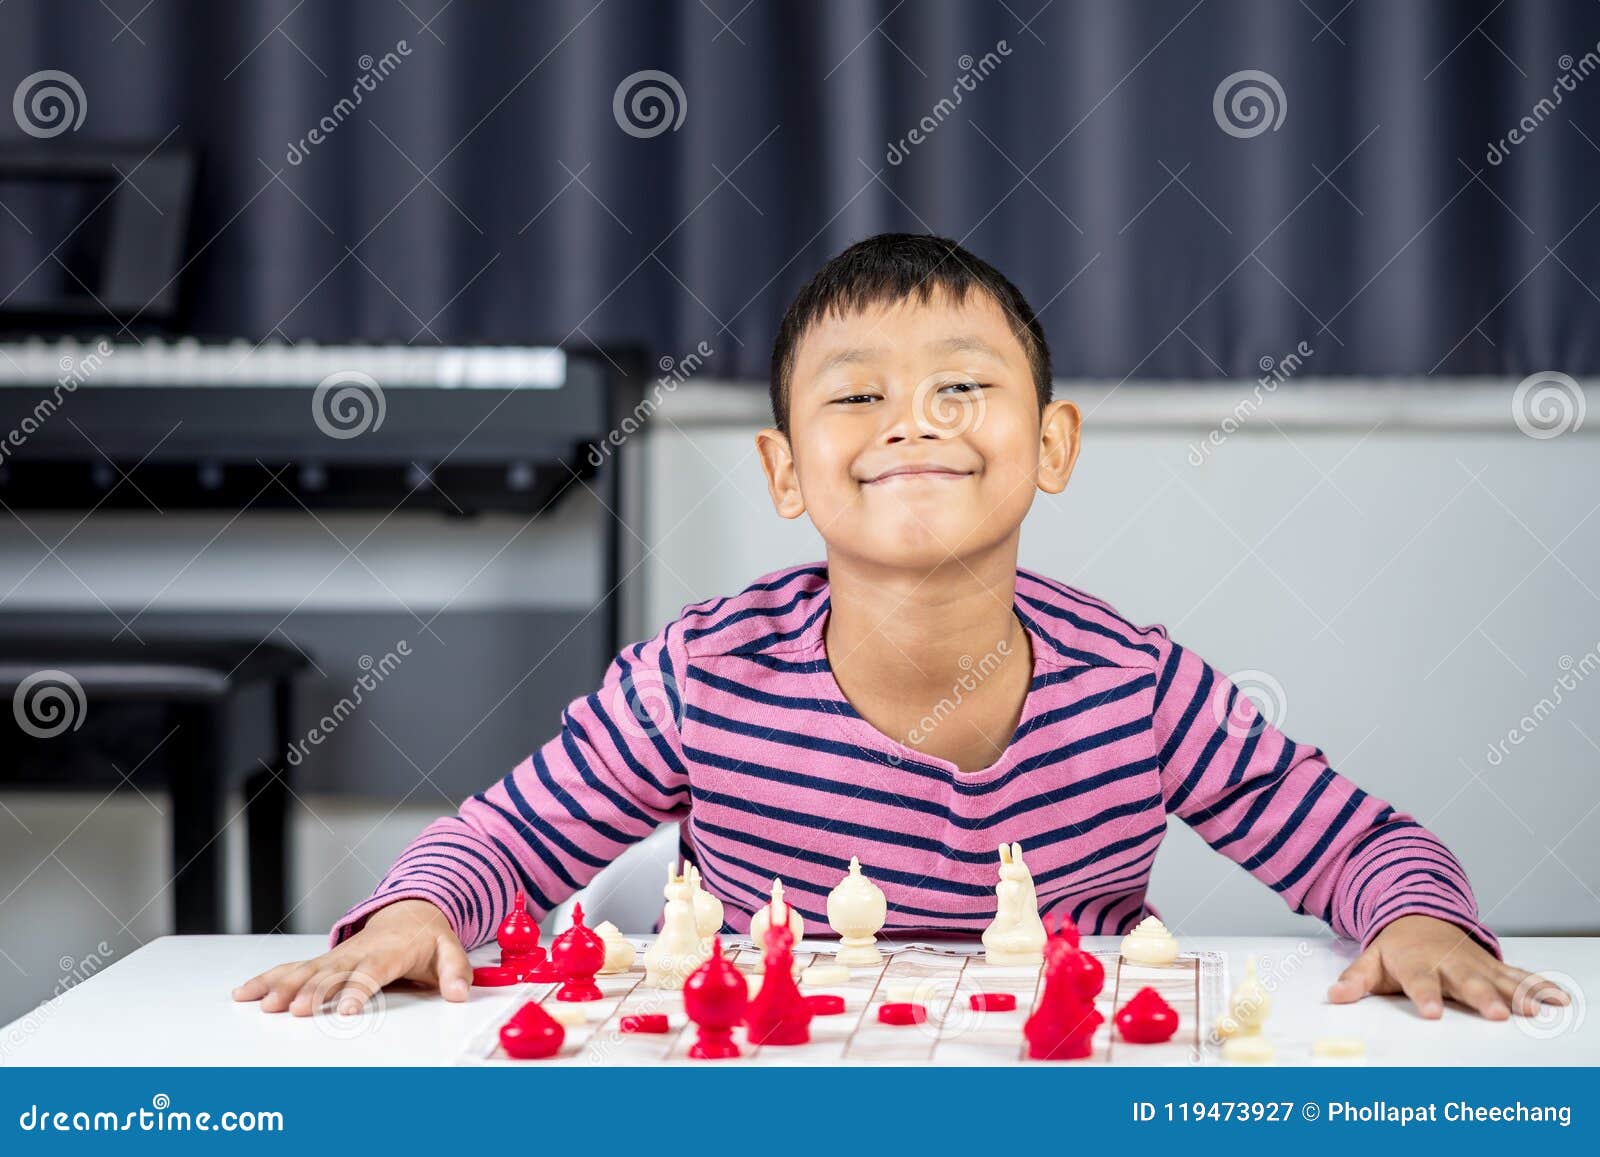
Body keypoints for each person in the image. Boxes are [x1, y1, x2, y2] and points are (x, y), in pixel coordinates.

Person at [233, 233, 1566, 1023]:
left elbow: (1359, 842)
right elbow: (511, 838)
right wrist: (410, 910)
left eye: (964, 388)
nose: (912, 421)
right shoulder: (701, 675)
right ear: (784, 471)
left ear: (1052, 443)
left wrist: (1419, 918)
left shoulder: (1142, 689)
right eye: (857, 395)